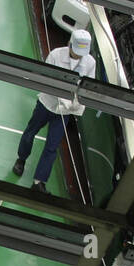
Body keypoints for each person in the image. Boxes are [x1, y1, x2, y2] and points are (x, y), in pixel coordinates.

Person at [12, 28, 97, 194]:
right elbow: (47, 80)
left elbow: (87, 88)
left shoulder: (90, 63)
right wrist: (65, 99)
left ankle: (39, 181)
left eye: (82, 53)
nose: (78, 56)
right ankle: (21, 160)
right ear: (69, 44)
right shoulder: (56, 55)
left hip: (64, 113)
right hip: (46, 103)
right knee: (31, 132)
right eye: (75, 51)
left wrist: (75, 104)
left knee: (52, 146)